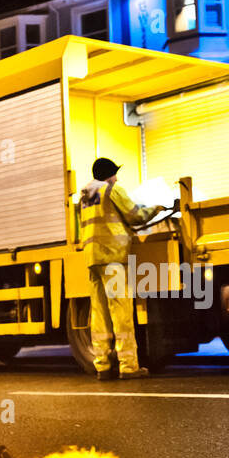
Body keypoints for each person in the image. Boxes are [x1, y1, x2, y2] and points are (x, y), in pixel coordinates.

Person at [78, 157, 162, 380]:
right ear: (109, 174)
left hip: (92, 259)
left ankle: (102, 366)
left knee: (99, 314)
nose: (117, 177)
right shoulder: (111, 190)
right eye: (115, 173)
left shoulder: (85, 196)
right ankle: (128, 366)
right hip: (112, 258)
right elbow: (135, 216)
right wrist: (156, 208)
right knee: (121, 312)